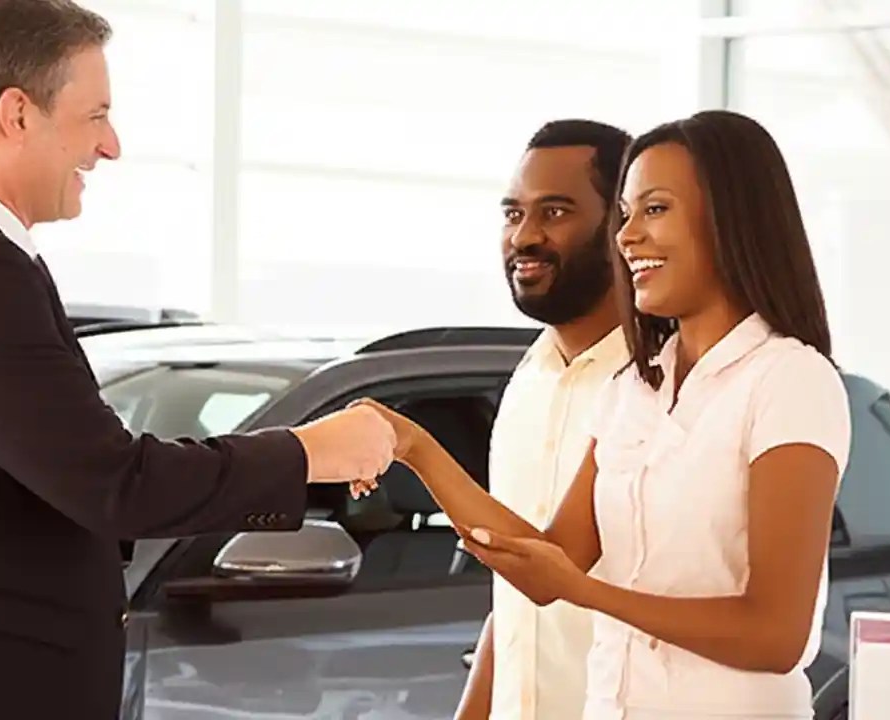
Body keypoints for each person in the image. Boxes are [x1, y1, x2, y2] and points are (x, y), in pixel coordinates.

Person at [0, 2, 394, 719]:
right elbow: (113, 480)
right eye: (95, 116)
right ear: (18, 113)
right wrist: (307, 452)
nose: (109, 146)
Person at [357, 109, 850, 719]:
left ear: (730, 219)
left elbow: (776, 634)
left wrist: (587, 593)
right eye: (625, 215)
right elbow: (544, 568)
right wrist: (412, 446)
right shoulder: (633, 391)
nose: (627, 237)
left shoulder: (790, 380)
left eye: (656, 209)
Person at [454, 119, 634, 720]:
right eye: (513, 215)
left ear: (622, 225)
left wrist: (412, 447)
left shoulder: (661, 387)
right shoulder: (527, 383)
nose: (525, 237)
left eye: (555, 213)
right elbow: (514, 604)